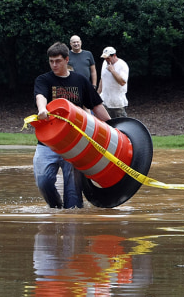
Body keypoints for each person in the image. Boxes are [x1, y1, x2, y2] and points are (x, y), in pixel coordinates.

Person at [33, 42, 111, 209]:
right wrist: (42, 109)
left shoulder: (80, 80)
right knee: (43, 181)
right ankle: (55, 208)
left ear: (67, 60)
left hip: (75, 145)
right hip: (48, 143)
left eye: (58, 61)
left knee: (73, 193)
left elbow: (96, 106)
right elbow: (40, 96)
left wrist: (113, 128)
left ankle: (72, 224)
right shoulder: (44, 80)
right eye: (51, 61)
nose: (54, 64)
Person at [98, 46, 129, 119]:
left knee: (121, 125)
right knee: (106, 125)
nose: (106, 60)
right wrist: (98, 94)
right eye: (104, 58)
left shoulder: (122, 65)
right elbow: (102, 78)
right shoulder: (105, 63)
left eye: (108, 58)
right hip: (105, 101)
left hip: (117, 103)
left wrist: (112, 71)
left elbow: (122, 82)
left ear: (114, 56)